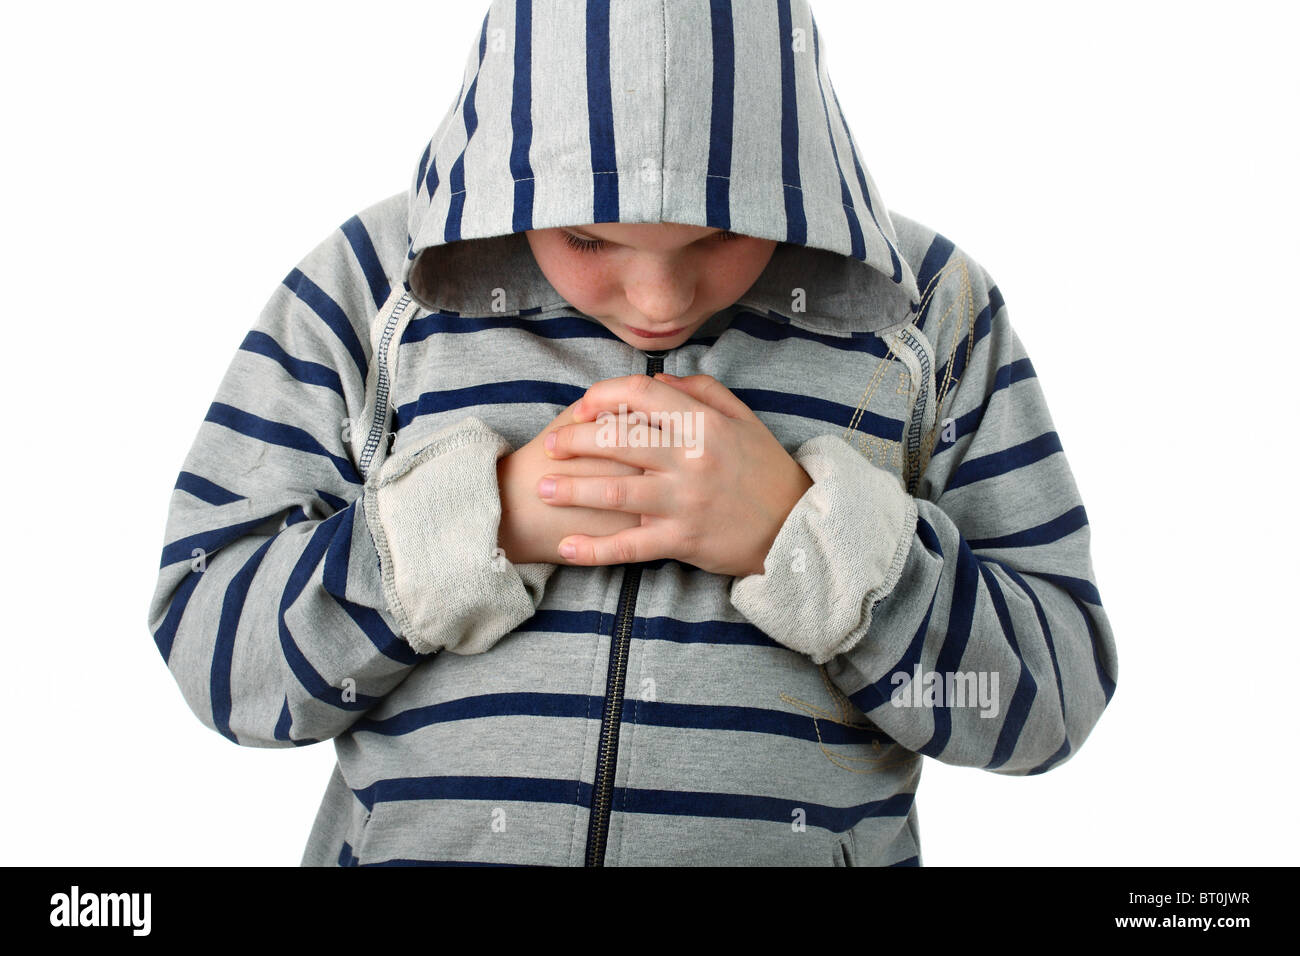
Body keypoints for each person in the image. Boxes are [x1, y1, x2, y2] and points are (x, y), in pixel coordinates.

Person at [147, 0, 1118, 866]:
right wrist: (473, 526)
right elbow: (217, 655)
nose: (658, 300)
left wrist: (816, 546)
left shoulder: (927, 313)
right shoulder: (371, 291)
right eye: (588, 238)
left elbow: (1046, 698)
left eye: (717, 235)